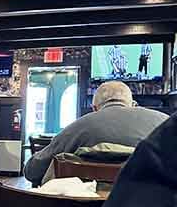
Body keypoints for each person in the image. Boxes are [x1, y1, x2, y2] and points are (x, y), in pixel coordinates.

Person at [23, 80, 167, 186]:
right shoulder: (164, 122)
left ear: (94, 108)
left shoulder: (78, 127)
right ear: (133, 104)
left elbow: (32, 171)